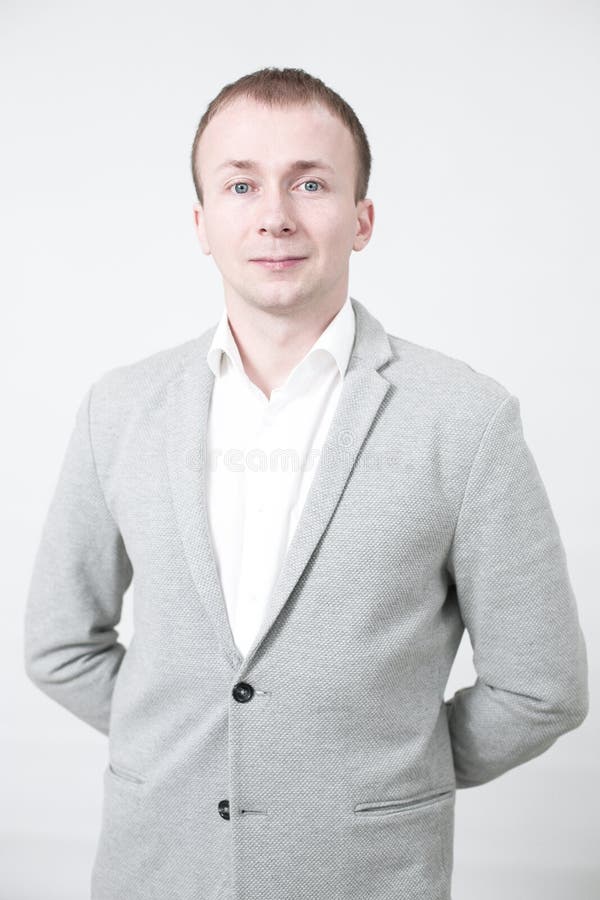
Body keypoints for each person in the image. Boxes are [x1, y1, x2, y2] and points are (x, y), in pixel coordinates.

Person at [24, 66, 589, 900]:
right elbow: (59, 645)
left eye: (311, 183)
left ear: (362, 220)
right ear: (202, 222)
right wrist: (200, 747)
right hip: (155, 871)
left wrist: (389, 766)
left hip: (367, 875)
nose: (275, 215)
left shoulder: (466, 420)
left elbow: (543, 688)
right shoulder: (120, 410)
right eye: (241, 183)